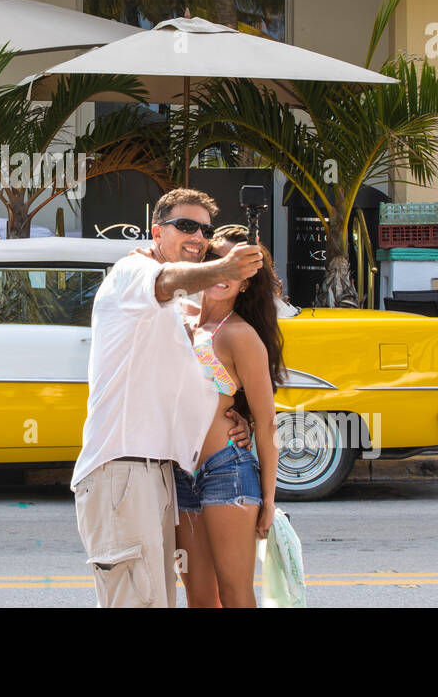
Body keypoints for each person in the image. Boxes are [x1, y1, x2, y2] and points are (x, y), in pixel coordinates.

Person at [71, 188, 264, 607]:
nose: (198, 236)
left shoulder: (184, 306)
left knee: (158, 600)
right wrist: (220, 267)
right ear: (156, 231)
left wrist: (235, 416)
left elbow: (199, 375)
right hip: (121, 469)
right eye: (185, 225)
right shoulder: (133, 272)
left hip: (161, 474)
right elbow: (165, 282)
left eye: (205, 229)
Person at [174, 226, 285, 608]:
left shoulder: (240, 335)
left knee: (235, 592)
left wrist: (269, 498)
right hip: (179, 472)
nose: (222, 272)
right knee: (199, 596)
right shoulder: (178, 318)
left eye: (234, 268)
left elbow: (268, 420)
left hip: (227, 470)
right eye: (214, 260)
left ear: (246, 284)